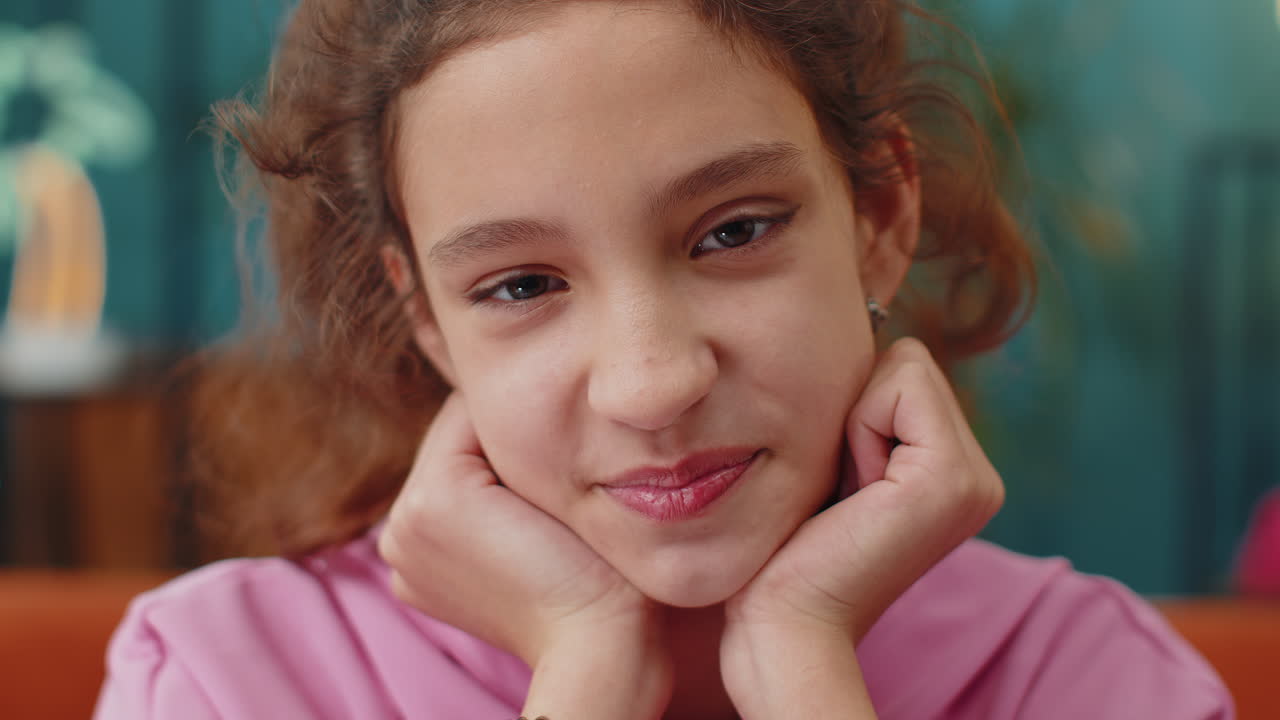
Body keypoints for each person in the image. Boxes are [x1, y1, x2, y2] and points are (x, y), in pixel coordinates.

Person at [95, 1, 1234, 718]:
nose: (652, 382)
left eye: (733, 231)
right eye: (521, 286)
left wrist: (800, 666)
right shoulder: (221, 682)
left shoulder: (1091, 684)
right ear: (428, 319)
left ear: (879, 212)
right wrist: (588, 675)